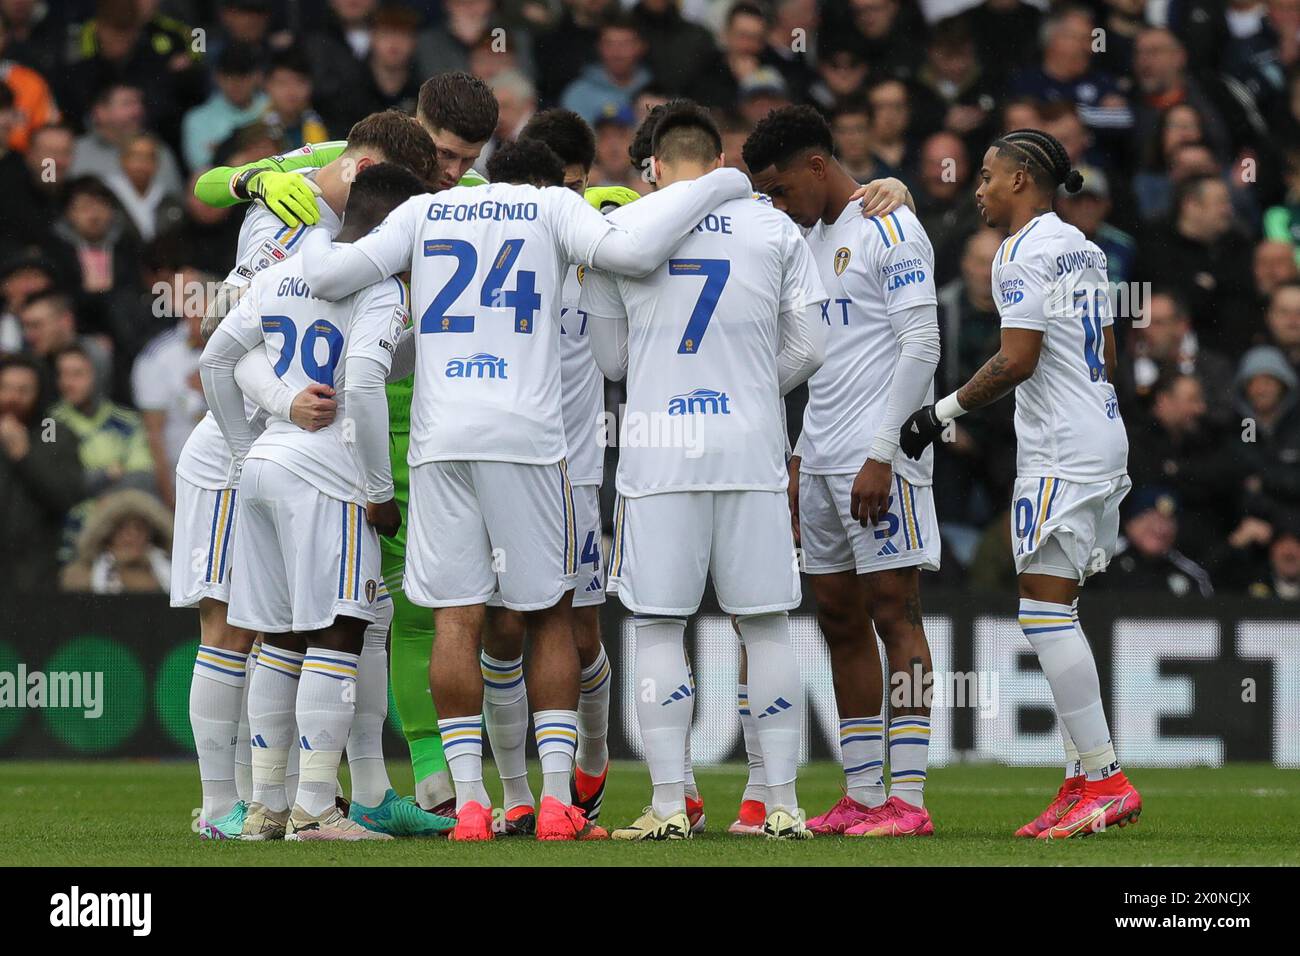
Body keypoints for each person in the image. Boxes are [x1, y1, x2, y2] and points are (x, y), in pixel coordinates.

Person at [295, 129, 756, 842]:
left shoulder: (427, 213)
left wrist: (330, 215)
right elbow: (632, 252)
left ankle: (473, 804)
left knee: (457, 617)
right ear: (551, 183)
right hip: (529, 441)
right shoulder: (551, 210)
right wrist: (723, 184)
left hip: (440, 441)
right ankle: (551, 802)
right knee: (548, 615)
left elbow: (327, 279)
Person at [193, 73, 502, 821]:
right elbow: (209, 191)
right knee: (273, 619)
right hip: (321, 426)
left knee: (369, 611)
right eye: (446, 153)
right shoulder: (334, 170)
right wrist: (250, 176)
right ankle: (255, 803)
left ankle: (352, 795)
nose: (456, 171)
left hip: (404, 413)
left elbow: (221, 347)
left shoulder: (474, 191)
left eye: (468, 158)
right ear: (411, 128)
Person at [581, 101, 824, 841]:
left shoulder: (621, 232)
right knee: (767, 628)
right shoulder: (774, 226)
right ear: (719, 157)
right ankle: (780, 803)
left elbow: (612, 361)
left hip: (660, 455)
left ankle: (666, 805)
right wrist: (750, 388)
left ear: (653, 165)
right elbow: (811, 347)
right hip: (750, 449)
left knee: (658, 629)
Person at [897, 128, 1142, 840]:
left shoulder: (1019, 250)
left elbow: (1015, 361)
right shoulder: (1085, 246)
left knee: (1042, 614)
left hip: (1063, 450)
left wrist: (935, 414)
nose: (977, 187)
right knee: (1056, 606)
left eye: (987, 174)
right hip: (1101, 432)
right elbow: (1110, 348)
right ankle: (1077, 782)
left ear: (1023, 179)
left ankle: (1105, 778)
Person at [200, 162, 438, 843]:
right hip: (329, 477)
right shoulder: (379, 288)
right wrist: (378, 492)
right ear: (396, 228)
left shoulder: (282, 272)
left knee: (278, 640)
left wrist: (249, 450)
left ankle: (266, 806)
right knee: (339, 633)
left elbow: (216, 360)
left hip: (267, 466)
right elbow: (362, 382)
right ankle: (315, 809)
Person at [745, 105, 942, 839]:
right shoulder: (808, 239)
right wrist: (799, 455)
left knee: (896, 611)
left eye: (779, 187)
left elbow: (921, 342)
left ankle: (911, 800)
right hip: (822, 455)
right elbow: (819, 357)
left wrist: (883, 452)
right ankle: (863, 794)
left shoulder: (891, 226)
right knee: (838, 617)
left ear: (817, 167)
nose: (774, 202)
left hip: (879, 458)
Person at [470, 108, 633, 835]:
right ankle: (517, 795)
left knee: (579, 633)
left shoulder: (602, 246)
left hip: (571, 473)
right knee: (502, 628)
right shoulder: (483, 243)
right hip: (498, 463)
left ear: (587, 181)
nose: (558, 205)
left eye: (571, 188)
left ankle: (591, 761)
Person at [0, 354, 84, 593]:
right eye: (5, 388)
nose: (13, 397)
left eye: (23, 390)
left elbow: (66, 495)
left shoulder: (54, 432)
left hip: (37, 568)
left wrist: (23, 456)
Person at [60, 488, 172, 594]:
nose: (131, 536)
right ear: (107, 534)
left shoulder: (168, 571)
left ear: (151, 534)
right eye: (122, 528)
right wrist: (117, 564)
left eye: (139, 528)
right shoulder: (85, 570)